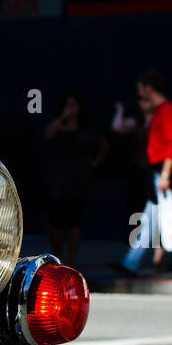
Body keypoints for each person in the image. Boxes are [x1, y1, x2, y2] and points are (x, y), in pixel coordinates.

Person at [116, 70, 172, 276]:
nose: (140, 94)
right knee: (150, 218)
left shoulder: (165, 110)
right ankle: (130, 262)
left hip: (165, 173)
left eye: (141, 89)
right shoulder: (162, 110)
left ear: (149, 89)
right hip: (160, 172)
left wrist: (165, 175)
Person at [44, 91, 108, 266]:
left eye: (74, 105)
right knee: (56, 224)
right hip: (58, 182)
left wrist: (95, 162)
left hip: (78, 182)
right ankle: (57, 259)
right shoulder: (58, 128)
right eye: (68, 105)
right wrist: (62, 118)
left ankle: (71, 261)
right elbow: (47, 136)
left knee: (75, 223)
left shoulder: (87, 131)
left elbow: (104, 144)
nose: (71, 109)